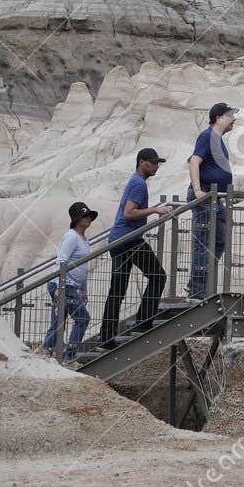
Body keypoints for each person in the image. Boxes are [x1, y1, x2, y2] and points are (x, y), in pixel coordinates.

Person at [98, 148, 175, 346]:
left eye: (158, 163)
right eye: (154, 162)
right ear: (142, 162)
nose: (157, 166)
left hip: (121, 240)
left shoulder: (136, 181)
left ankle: (106, 338)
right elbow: (128, 213)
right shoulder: (138, 184)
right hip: (128, 240)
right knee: (158, 276)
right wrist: (155, 209)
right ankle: (143, 321)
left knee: (118, 290)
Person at [186, 102, 236, 298]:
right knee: (203, 242)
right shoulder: (207, 136)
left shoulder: (216, 139)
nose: (234, 119)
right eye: (230, 116)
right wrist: (198, 190)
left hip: (216, 199)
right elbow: (194, 161)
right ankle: (198, 289)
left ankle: (204, 281)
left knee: (220, 241)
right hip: (205, 196)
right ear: (219, 118)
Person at [43, 201, 96, 361]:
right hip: (64, 285)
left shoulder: (84, 239)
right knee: (82, 318)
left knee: (59, 321)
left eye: (88, 215)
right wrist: (60, 286)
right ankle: (69, 355)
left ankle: (46, 351)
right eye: (83, 216)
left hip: (71, 285)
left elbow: (83, 266)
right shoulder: (71, 237)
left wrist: (84, 291)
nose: (87, 218)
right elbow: (62, 261)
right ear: (76, 219)